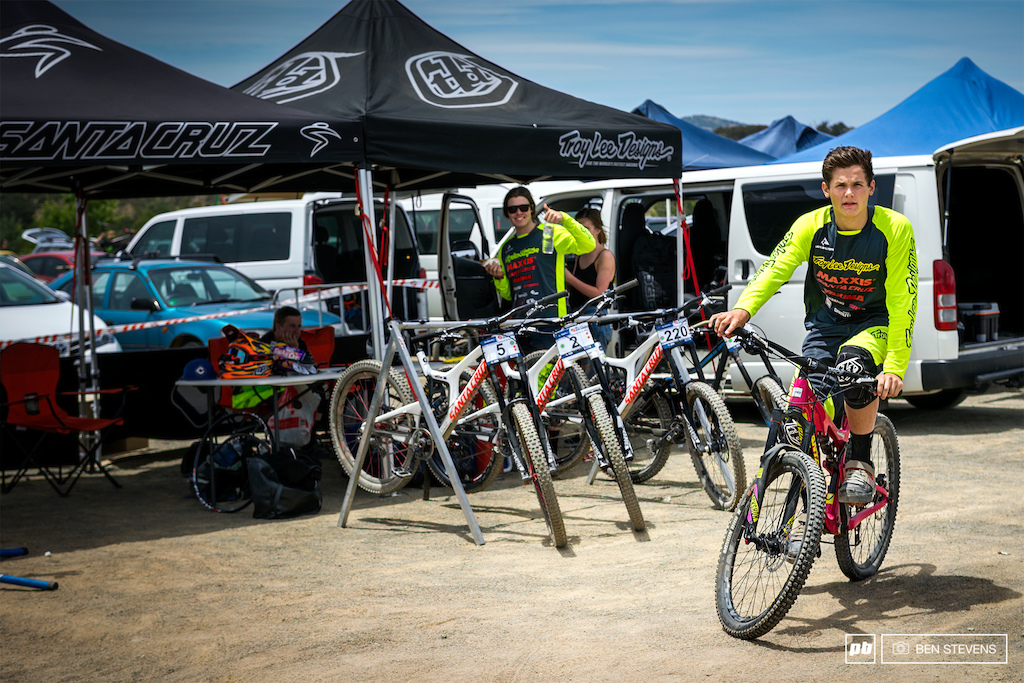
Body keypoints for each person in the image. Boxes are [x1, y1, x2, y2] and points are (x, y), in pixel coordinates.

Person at [710, 146, 917, 505]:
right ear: (826, 190)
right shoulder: (810, 226)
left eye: (857, 184)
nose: (848, 193)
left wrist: (896, 366)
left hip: (874, 324)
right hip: (826, 323)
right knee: (805, 406)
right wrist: (742, 311)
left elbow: (903, 298)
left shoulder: (894, 229)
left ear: (871, 187)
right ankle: (812, 477)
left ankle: (860, 461)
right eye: (840, 185)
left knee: (852, 371)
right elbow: (775, 268)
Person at [483, 186, 596, 351]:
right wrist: (499, 277)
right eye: (513, 209)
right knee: (526, 377)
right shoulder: (506, 248)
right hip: (521, 326)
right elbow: (508, 294)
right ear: (507, 214)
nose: (519, 213)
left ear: (531, 209)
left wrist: (565, 218)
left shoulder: (551, 233)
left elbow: (588, 245)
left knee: (552, 377)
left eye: (524, 208)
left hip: (552, 323)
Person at [564, 208, 616, 349]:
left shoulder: (604, 256)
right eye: (579, 228)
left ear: (598, 230)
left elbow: (600, 294)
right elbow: (572, 289)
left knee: (593, 368)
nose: (582, 232)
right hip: (576, 315)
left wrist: (570, 278)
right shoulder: (578, 254)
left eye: (586, 228)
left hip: (595, 316)